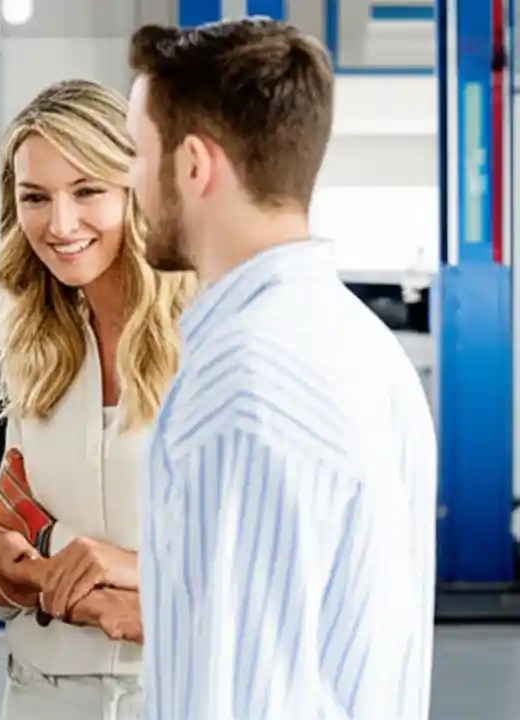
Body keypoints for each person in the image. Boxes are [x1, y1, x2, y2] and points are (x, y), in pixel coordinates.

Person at [125, 18, 437, 720]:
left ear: (194, 165)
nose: (131, 181)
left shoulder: (243, 385)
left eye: (136, 154)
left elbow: (232, 695)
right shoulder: (366, 347)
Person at [0, 78, 194, 720]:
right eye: (35, 197)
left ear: (137, 190)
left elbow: (264, 562)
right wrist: (46, 575)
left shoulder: (206, 344)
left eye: (87, 191)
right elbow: (1, 565)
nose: (60, 224)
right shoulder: (36, 349)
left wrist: (117, 566)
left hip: (170, 691)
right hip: (36, 693)